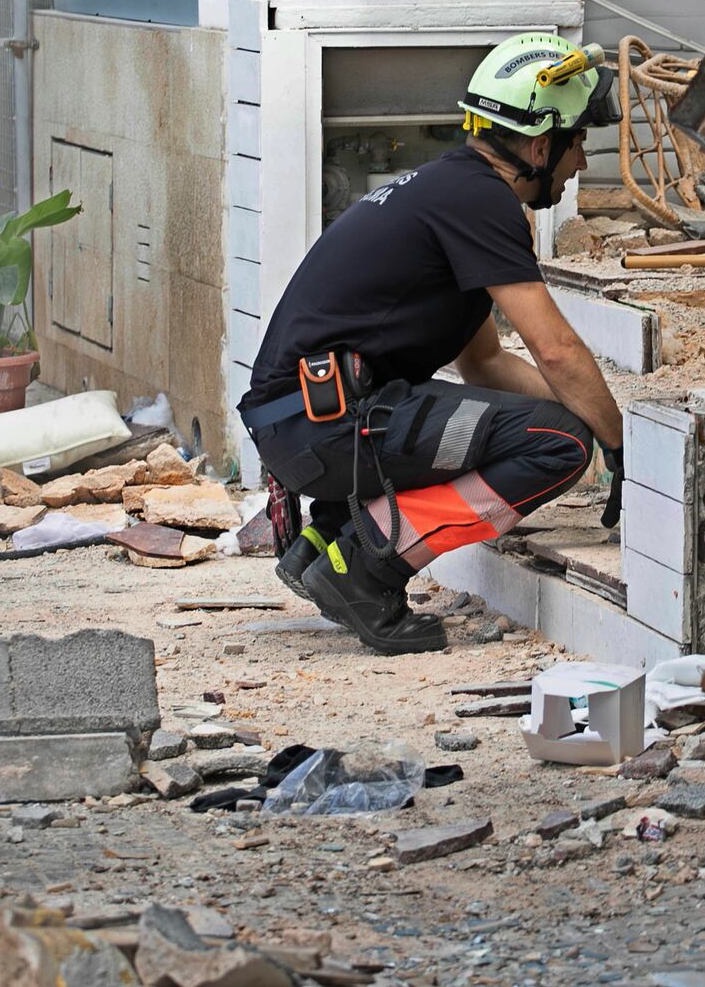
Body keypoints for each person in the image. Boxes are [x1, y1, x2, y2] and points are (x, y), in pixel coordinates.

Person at [237, 32, 629, 655]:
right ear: (538, 144)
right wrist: (610, 439)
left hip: (306, 425)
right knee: (558, 446)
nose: (581, 161)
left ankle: (328, 541)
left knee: (552, 426)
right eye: (577, 141)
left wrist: (596, 414)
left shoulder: (451, 190)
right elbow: (554, 350)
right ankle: (365, 570)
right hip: (323, 426)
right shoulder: (480, 202)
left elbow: (486, 363)